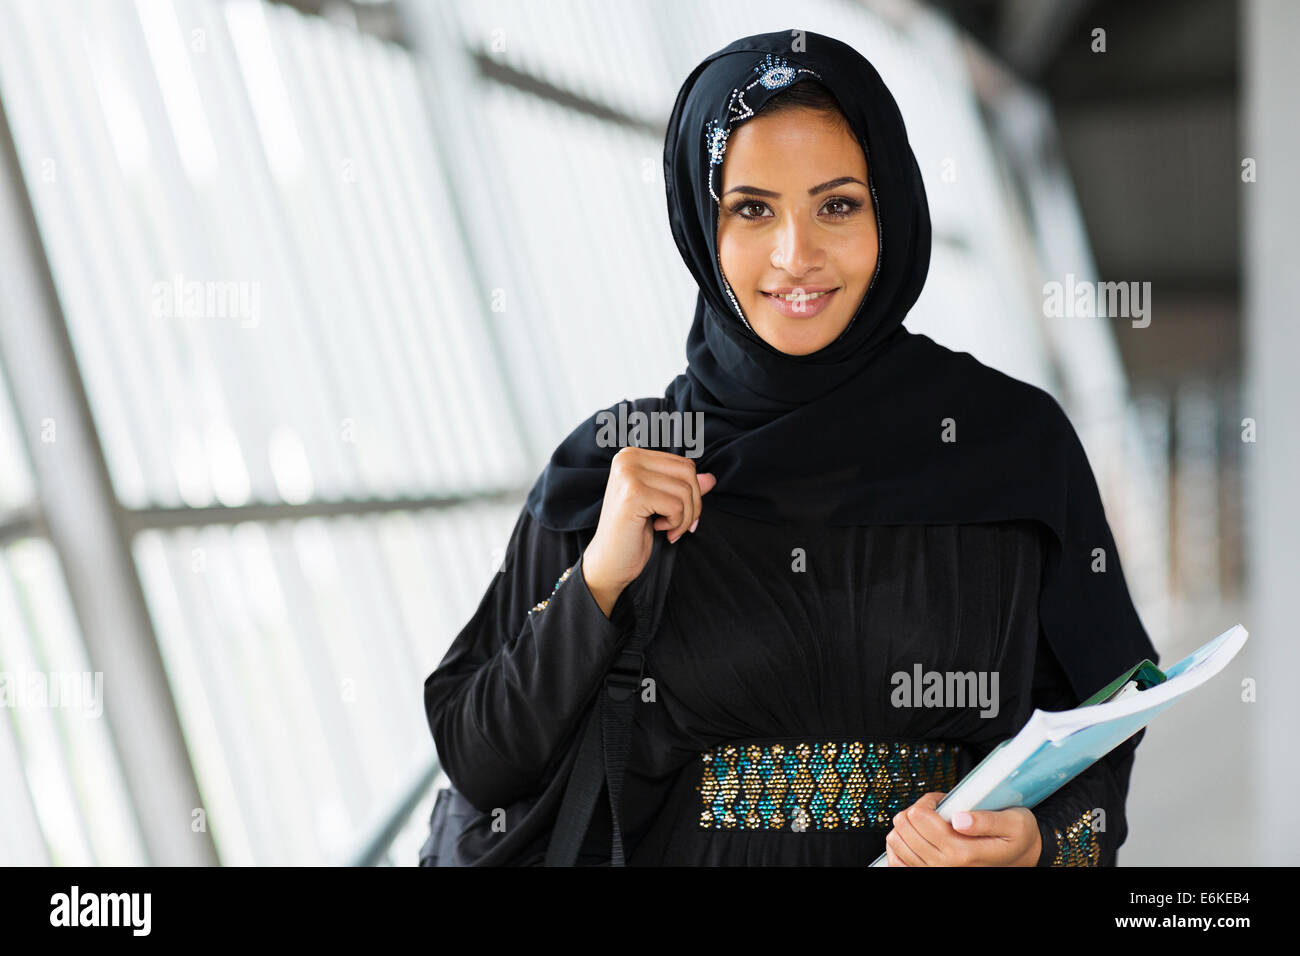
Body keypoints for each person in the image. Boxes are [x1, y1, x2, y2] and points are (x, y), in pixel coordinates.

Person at [424, 29, 1158, 866]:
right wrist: (596, 583)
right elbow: (482, 757)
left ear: (892, 208)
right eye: (752, 209)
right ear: (703, 225)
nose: (795, 256)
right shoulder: (621, 466)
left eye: (837, 204)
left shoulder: (1012, 445)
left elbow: (1108, 720)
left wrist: (1041, 847)